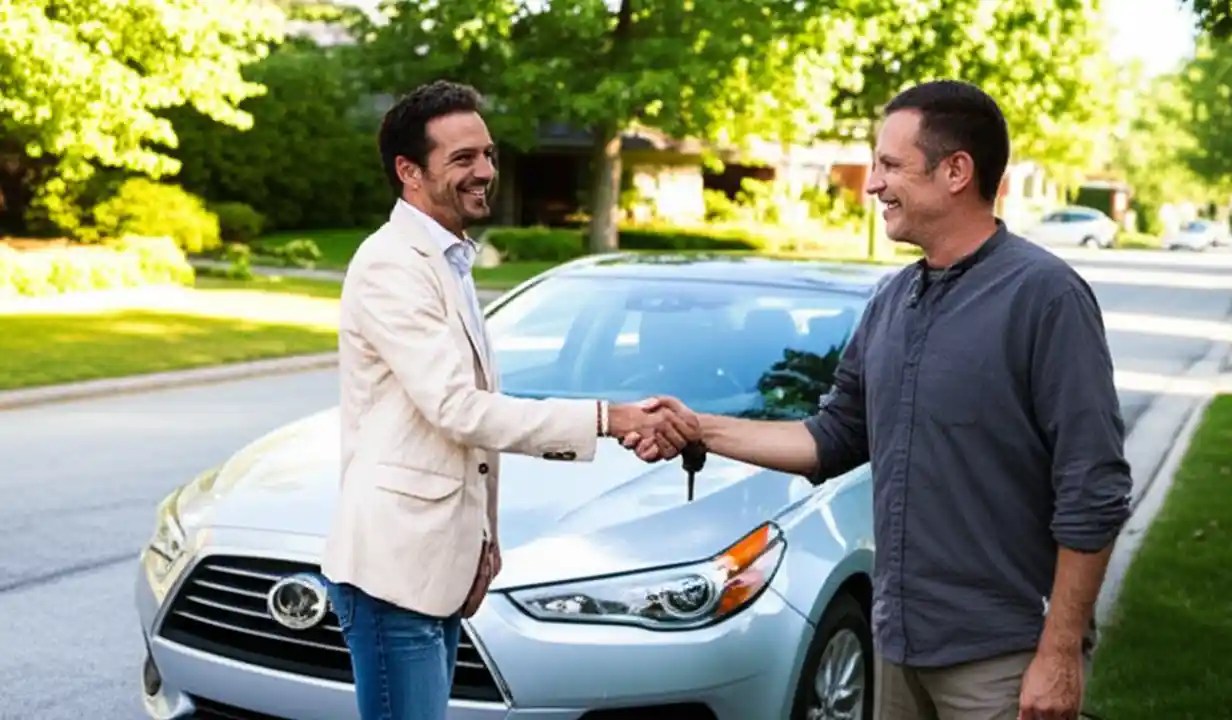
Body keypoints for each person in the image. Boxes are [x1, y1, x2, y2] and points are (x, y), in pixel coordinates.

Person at [628, 80, 1132, 720]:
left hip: (1002, 657)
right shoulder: (893, 300)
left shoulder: (1046, 297)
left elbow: (1095, 485)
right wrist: (698, 427)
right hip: (896, 648)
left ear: (956, 171)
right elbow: (831, 438)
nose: (872, 185)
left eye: (890, 165)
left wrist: (1059, 652)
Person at [320, 79, 699, 720]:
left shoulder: (447, 256)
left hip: (432, 561)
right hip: (392, 571)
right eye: (462, 159)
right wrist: (609, 419)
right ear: (408, 172)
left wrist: (482, 540)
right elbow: (459, 409)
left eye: (488, 154)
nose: (486, 172)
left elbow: (452, 435)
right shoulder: (391, 263)